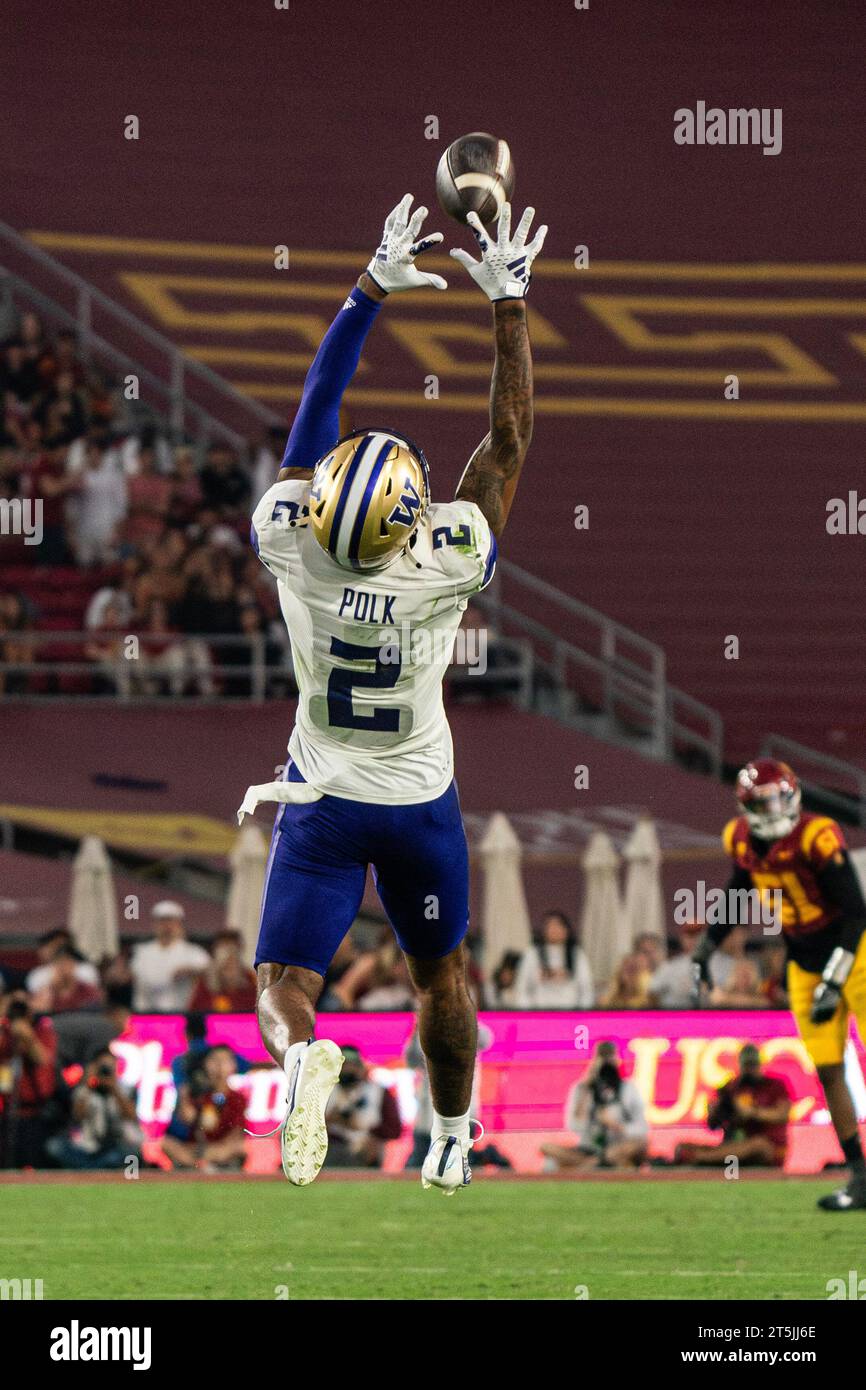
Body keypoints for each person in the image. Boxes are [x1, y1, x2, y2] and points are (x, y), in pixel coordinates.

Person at [245, 193, 546, 1191]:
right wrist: (506, 304)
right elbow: (504, 442)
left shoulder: (290, 537)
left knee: (283, 983)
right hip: (416, 801)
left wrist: (365, 289)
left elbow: (311, 416)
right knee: (440, 977)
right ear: (413, 517)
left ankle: (300, 1058)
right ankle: (452, 1136)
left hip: (321, 799)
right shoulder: (442, 559)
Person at [691, 758, 866, 1210]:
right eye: (765, 800)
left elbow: (856, 911)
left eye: (779, 797)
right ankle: (860, 1178)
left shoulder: (816, 834)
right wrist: (705, 949)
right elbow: (738, 888)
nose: (775, 807)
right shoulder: (741, 839)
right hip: (804, 963)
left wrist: (836, 977)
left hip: (855, 953)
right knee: (828, 1069)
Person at [674, 1044, 792, 1169]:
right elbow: (713, 1125)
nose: (750, 1069)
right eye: (747, 1065)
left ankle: (698, 1158)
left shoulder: (775, 1086)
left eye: (753, 1065)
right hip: (733, 1144)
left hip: (769, 1149)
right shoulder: (731, 1088)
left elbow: (782, 1114)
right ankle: (701, 1157)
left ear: (760, 1064)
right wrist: (714, 1112)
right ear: (740, 1065)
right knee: (683, 1147)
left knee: (758, 1145)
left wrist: (753, 1112)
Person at [541, 1041, 648, 1171]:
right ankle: (600, 1165)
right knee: (546, 1147)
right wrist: (586, 1090)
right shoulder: (581, 1089)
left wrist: (616, 1126)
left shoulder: (628, 1088)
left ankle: (586, 1167)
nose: (606, 1063)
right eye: (602, 1057)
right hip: (589, 1150)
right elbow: (574, 1126)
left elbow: (641, 1129)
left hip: (619, 1147)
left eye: (610, 1057)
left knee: (637, 1146)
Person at [45, 1048, 141, 1170]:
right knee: (55, 1147)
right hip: (87, 1146)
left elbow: (131, 1116)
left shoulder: (126, 1089)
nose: (105, 1072)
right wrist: (88, 1084)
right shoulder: (84, 1090)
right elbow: (77, 1116)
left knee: (131, 1153)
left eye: (109, 1068)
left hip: (116, 1145)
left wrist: (114, 1089)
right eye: (102, 1068)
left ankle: (90, 1170)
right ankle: (95, 1169)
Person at [160, 1044, 247, 1171]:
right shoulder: (198, 1094)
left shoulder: (237, 1097)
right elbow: (188, 1119)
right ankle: (202, 1165)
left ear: (233, 1066)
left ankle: (201, 1165)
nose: (219, 1067)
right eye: (215, 1061)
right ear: (205, 1065)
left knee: (239, 1147)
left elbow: (237, 1133)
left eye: (224, 1061)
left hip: (221, 1148)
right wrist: (184, 1096)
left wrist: (218, 1149)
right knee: (166, 1143)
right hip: (197, 1148)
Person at [0, 991, 58, 1168]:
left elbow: (43, 1060)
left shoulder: (42, 1031)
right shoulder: (4, 1033)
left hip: (35, 1113)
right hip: (6, 1112)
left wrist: (27, 1036)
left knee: (32, 1167)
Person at [322, 1046, 401, 1169]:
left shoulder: (378, 1092)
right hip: (330, 1148)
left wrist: (374, 1136)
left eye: (352, 1065)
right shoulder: (324, 1091)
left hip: (365, 1150)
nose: (347, 1070)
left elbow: (394, 1129)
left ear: (360, 1068)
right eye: (343, 1066)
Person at [130, 902, 210, 1012]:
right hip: (146, 1013)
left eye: (170, 921)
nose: (166, 926)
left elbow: (209, 969)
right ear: (154, 924)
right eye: (162, 921)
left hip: (180, 1013)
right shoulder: (142, 951)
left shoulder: (192, 951)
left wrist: (191, 971)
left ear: (179, 924)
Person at [514, 911, 594, 1009]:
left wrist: (581, 1014)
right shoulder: (532, 954)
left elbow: (586, 989)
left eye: (558, 926)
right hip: (539, 1014)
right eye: (550, 926)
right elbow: (522, 988)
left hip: (571, 1014)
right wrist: (529, 1014)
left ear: (566, 930)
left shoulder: (577, 955)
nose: (554, 930)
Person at [189, 931, 257, 1013]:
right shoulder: (205, 982)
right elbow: (194, 1014)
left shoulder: (251, 980)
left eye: (233, 948)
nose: (229, 953)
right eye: (224, 948)